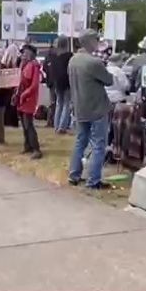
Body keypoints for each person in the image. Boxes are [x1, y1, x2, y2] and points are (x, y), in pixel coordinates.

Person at [67, 30, 115, 189]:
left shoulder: (73, 60)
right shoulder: (93, 62)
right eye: (96, 39)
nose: (98, 42)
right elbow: (109, 80)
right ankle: (93, 180)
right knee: (98, 145)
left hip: (80, 107)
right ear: (89, 41)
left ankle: (74, 174)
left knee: (80, 141)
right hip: (97, 108)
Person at [15, 44, 43, 159]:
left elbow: (34, 85)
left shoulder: (34, 66)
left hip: (28, 99)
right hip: (21, 98)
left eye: (25, 53)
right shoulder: (23, 65)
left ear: (31, 54)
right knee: (24, 124)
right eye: (22, 53)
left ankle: (36, 149)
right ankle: (27, 146)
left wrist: (24, 94)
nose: (23, 55)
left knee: (29, 124)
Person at [50, 36, 73, 134]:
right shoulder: (70, 56)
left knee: (59, 103)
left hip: (57, 82)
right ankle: (62, 126)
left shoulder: (54, 56)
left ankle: (56, 125)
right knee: (66, 104)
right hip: (67, 81)